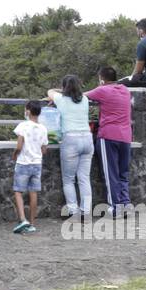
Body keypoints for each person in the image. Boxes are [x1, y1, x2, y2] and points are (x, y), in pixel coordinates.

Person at [86, 67, 133, 217]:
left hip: (108, 136)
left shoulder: (102, 90)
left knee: (110, 173)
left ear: (101, 79)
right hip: (126, 136)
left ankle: (115, 208)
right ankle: (126, 204)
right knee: (122, 173)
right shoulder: (125, 90)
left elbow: (80, 96)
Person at [47, 74, 93, 220]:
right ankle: (86, 212)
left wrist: (59, 92)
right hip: (87, 138)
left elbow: (49, 92)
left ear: (64, 87)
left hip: (71, 139)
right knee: (84, 178)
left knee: (68, 179)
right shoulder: (85, 99)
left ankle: (73, 211)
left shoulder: (61, 99)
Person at [11, 101, 49, 233]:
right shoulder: (43, 128)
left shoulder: (23, 125)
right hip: (37, 163)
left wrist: (15, 154)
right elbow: (44, 149)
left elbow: (19, 145)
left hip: (23, 163)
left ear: (28, 111)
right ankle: (32, 223)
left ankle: (23, 219)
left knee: (18, 191)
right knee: (33, 193)